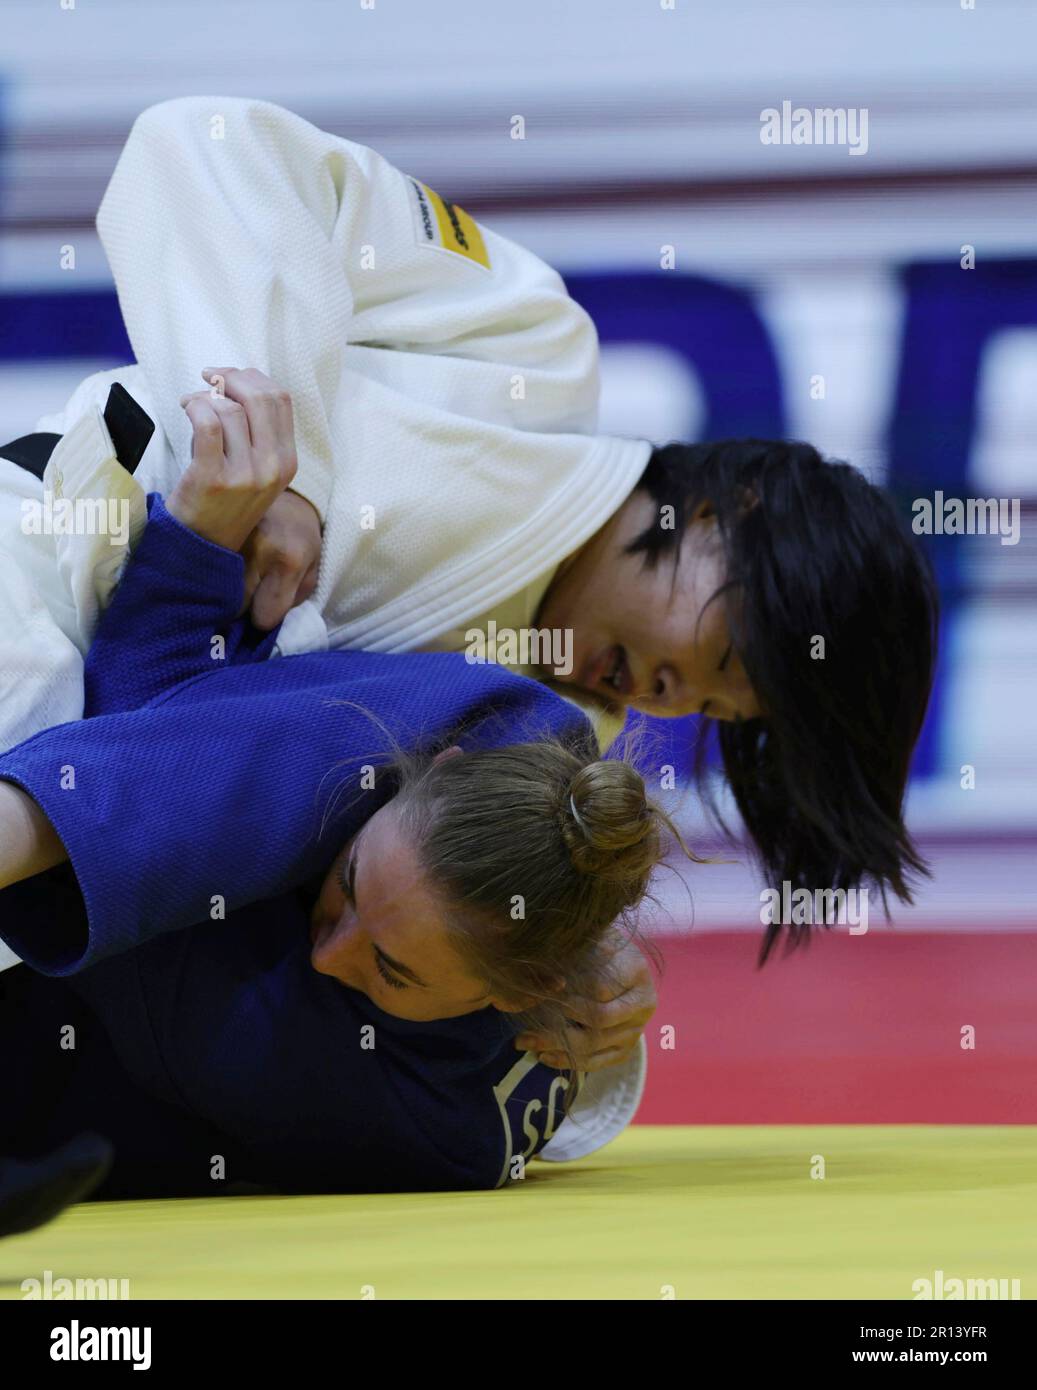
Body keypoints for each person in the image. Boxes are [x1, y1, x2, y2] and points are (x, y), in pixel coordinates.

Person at [0, 95, 938, 960]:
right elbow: (202, 141)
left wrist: (593, 1011)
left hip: (89, 849)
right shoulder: (524, 350)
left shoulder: (547, 754)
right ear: (731, 514)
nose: (669, 692)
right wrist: (295, 471)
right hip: (34, 573)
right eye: (724, 659)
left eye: (709, 710)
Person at [0, 393, 684, 1221]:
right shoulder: (495, 732)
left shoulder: (429, 1122)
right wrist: (202, 550)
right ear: (440, 765)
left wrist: (191, 559)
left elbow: (155, 778)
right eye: (350, 884)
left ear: (510, 995)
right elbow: (213, 742)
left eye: (391, 968)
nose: (331, 954)